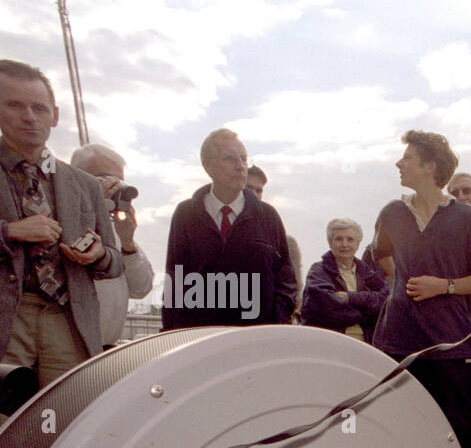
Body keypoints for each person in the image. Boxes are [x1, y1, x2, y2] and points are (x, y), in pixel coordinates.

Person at [371, 130, 471, 448]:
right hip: (397, 340)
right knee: (400, 424)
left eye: (407, 158)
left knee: (460, 428)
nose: (399, 163)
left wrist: (443, 286)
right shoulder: (391, 212)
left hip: (450, 342)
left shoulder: (467, 218)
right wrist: (402, 282)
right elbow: (382, 255)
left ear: (430, 166)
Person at [1, 59, 121, 386]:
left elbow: (114, 263)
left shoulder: (85, 184)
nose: (29, 116)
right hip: (8, 320)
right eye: (15, 105)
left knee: (66, 420)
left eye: (39, 108)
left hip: (68, 321)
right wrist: (9, 232)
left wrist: (98, 255)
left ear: (55, 116)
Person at [161, 129, 296, 329]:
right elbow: (174, 280)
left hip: (254, 341)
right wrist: (173, 334)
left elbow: (286, 281)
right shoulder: (185, 214)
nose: (241, 166)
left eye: (243, 159)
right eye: (230, 159)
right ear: (208, 165)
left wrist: (275, 323)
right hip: (200, 339)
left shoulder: (268, 216)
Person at [68, 142, 154, 347]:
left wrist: (128, 243)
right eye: (106, 177)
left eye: (119, 181)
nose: (115, 186)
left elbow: (142, 288)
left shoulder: (116, 230)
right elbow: (76, 251)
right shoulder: (65, 220)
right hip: (71, 346)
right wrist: (91, 207)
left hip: (105, 346)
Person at [301, 217, 389, 342]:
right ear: (330, 243)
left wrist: (351, 297)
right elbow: (326, 308)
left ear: (358, 244)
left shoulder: (366, 272)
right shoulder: (318, 271)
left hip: (367, 344)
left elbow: (387, 299)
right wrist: (368, 313)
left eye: (350, 239)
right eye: (339, 239)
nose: (344, 244)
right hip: (331, 342)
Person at [244, 164, 302, 317]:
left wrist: (278, 317)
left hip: (267, 322)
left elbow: (291, 285)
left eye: (259, 190)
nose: (254, 194)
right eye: (249, 188)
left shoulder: (284, 240)